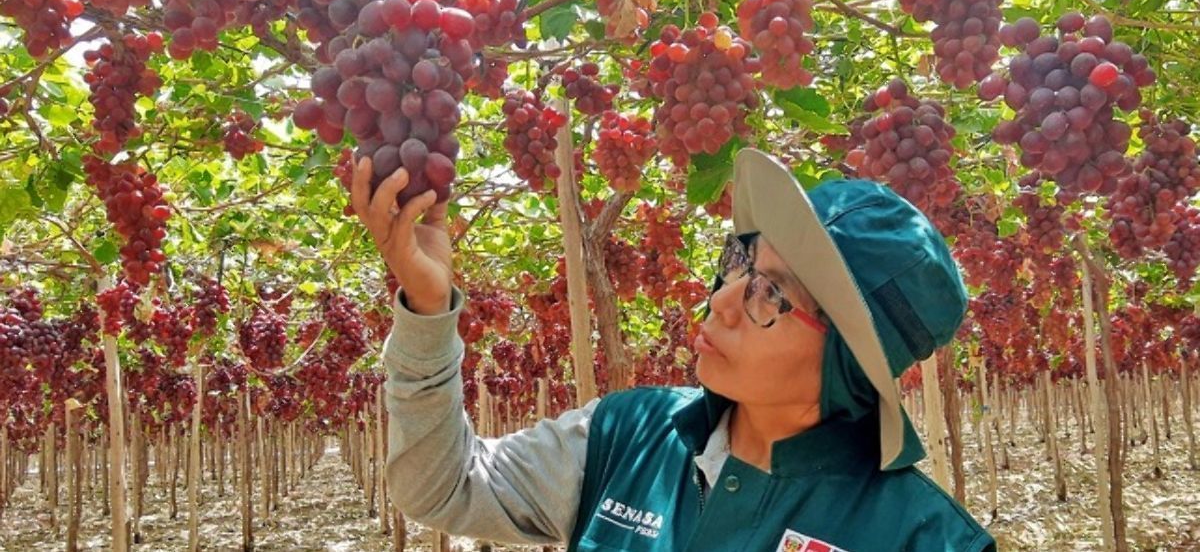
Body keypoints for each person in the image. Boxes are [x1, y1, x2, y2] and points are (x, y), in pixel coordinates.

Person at [352, 147, 996, 552]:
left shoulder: (923, 538)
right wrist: (430, 314)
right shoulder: (627, 434)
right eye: (741, 262)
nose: (721, 299)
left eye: (770, 293)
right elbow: (443, 489)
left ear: (849, 364)